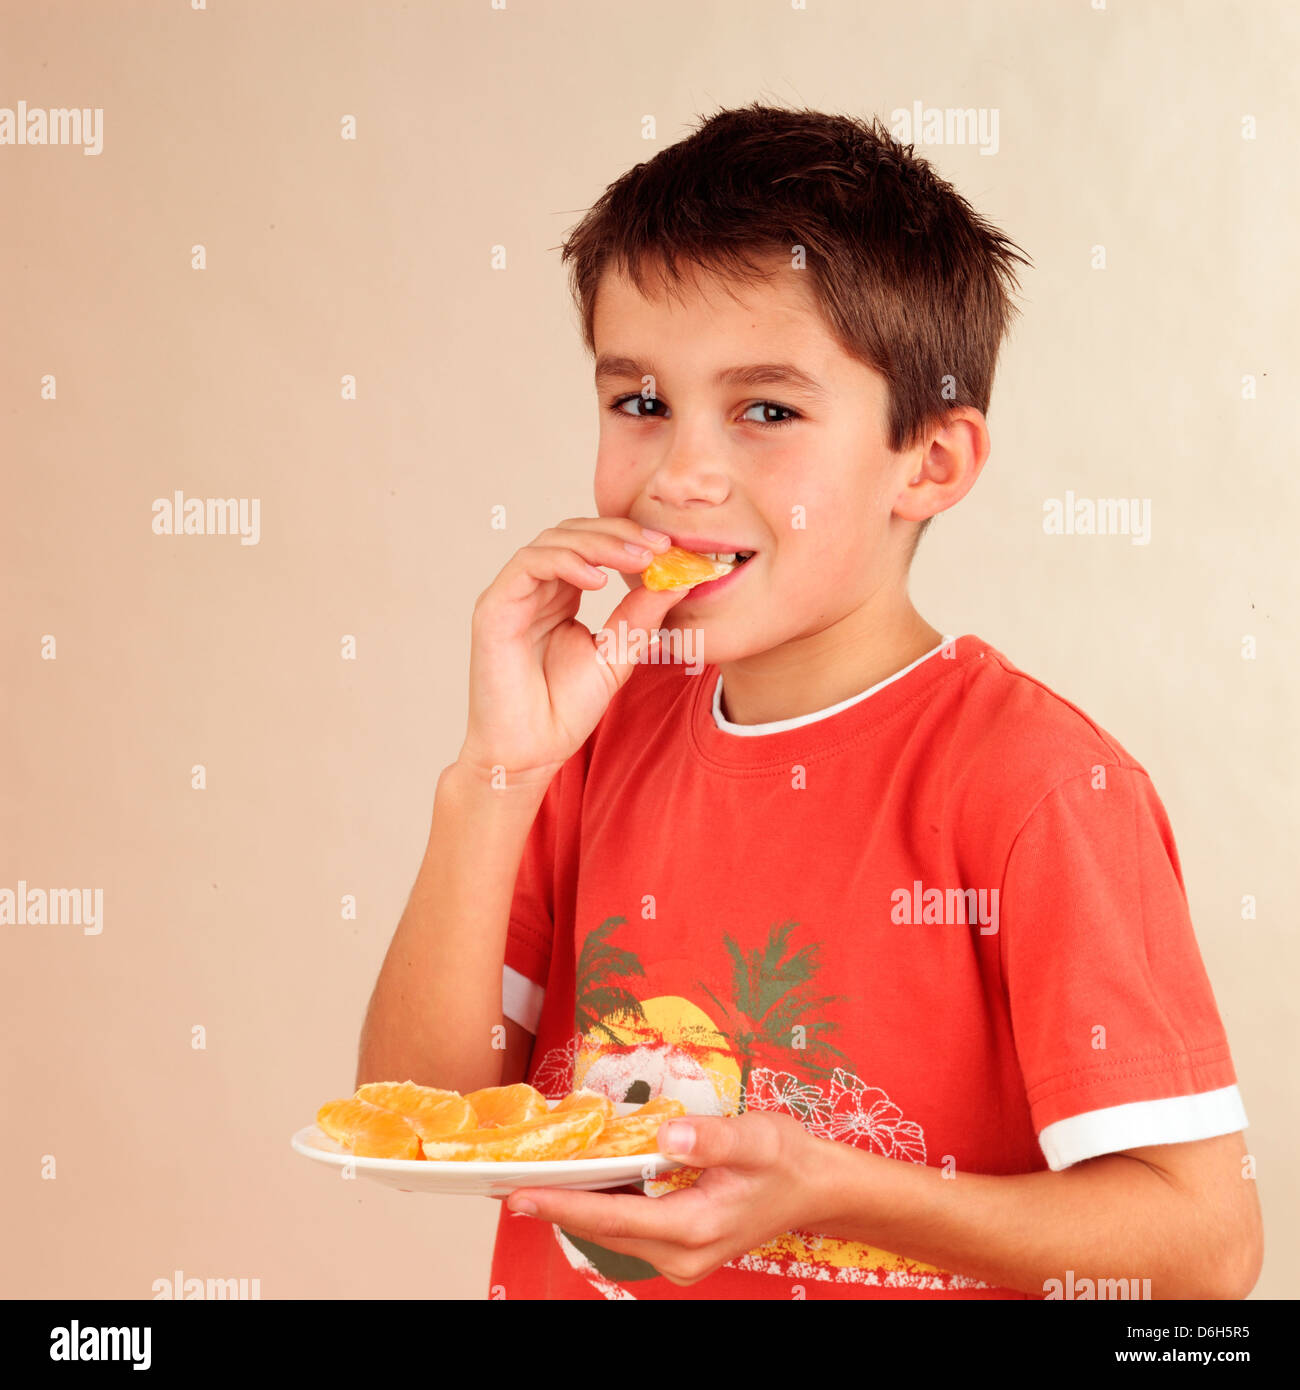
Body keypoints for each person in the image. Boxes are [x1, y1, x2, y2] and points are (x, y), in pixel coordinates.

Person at [358, 103, 1262, 1300]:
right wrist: (497, 778)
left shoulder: (1037, 784)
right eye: (639, 402)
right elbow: (424, 1114)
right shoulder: (589, 739)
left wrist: (838, 1187)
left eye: (766, 412)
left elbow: (1204, 1247)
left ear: (928, 462)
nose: (679, 472)